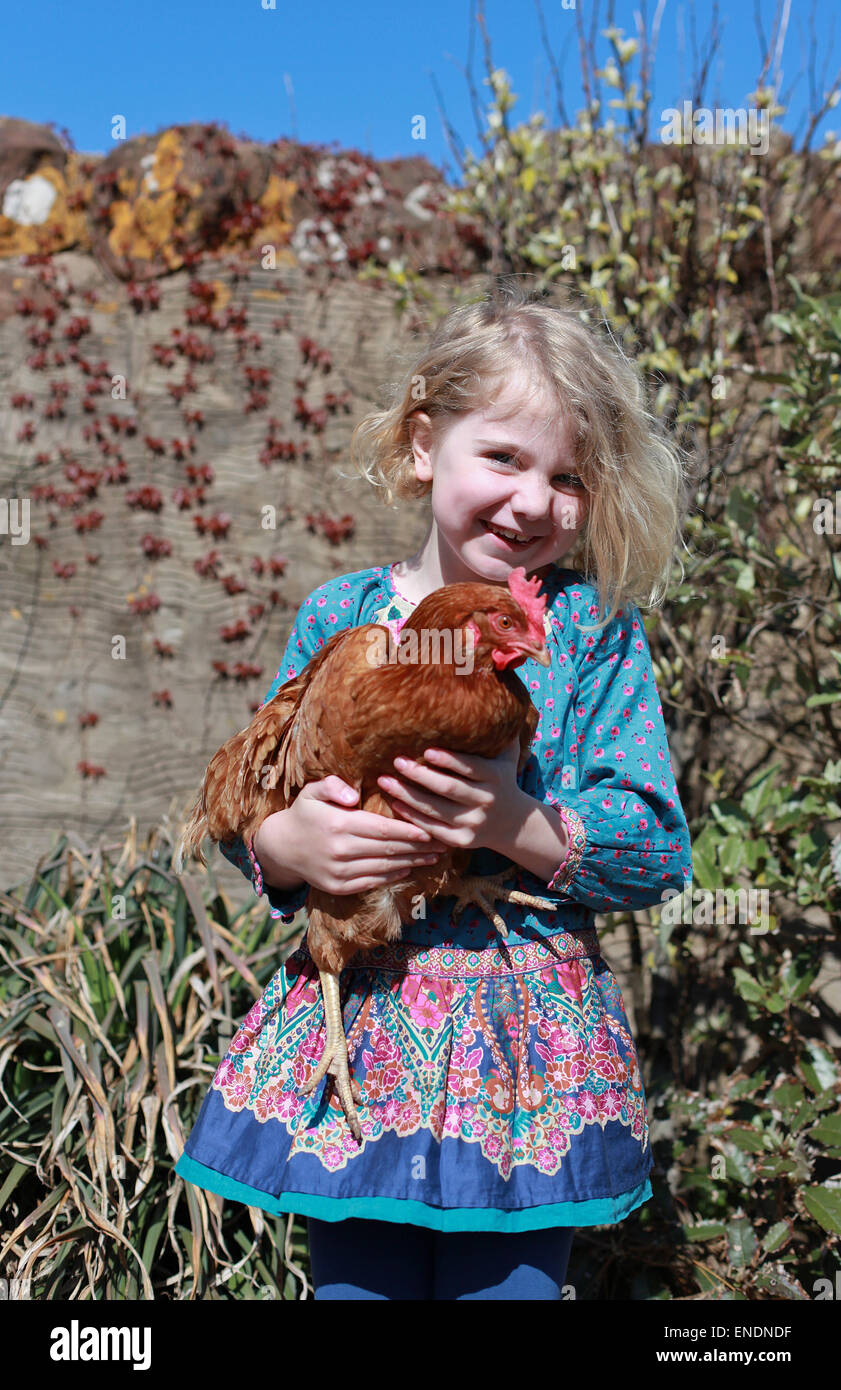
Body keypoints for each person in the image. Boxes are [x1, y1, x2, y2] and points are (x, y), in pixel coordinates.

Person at [174, 281, 694, 1300]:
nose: (533, 501)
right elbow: (256, 793)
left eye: (568, 477)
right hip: (366, 1028)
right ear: (423, 445)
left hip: (523, 1053)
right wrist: (287, 847)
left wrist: (517, 822)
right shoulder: (344, 614)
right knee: (354, 1290)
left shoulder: (591, 632)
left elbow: (654, 850)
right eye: (503, 458)